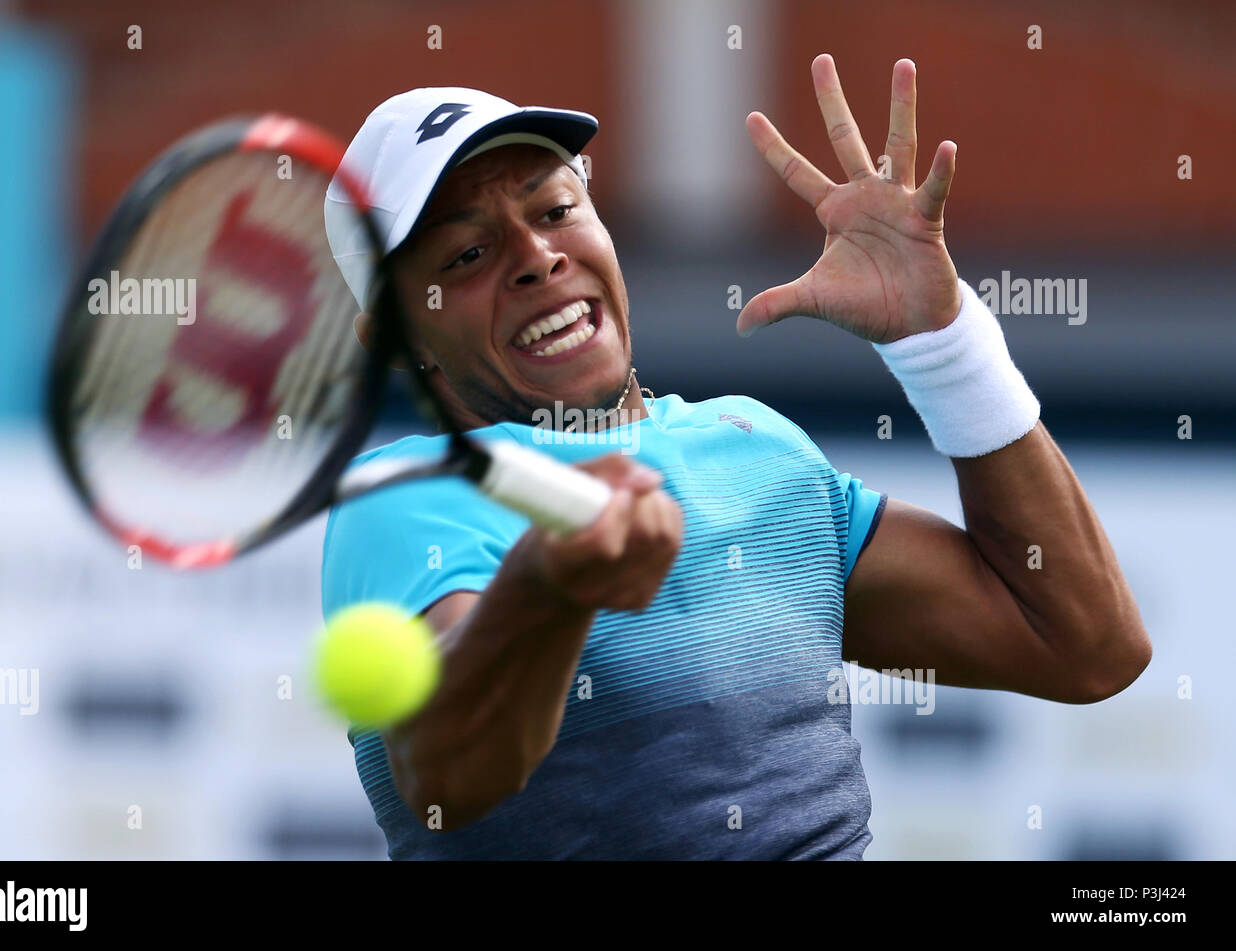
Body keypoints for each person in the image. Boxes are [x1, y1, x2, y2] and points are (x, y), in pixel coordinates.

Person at [320, 55, 1151, 859]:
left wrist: (944, 341)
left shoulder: (758, 445)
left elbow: (1085, 646)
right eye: (467, 255)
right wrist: (551, 587)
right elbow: (448, 778)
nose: (537, 258)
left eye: (554, 210)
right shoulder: (408, 496)